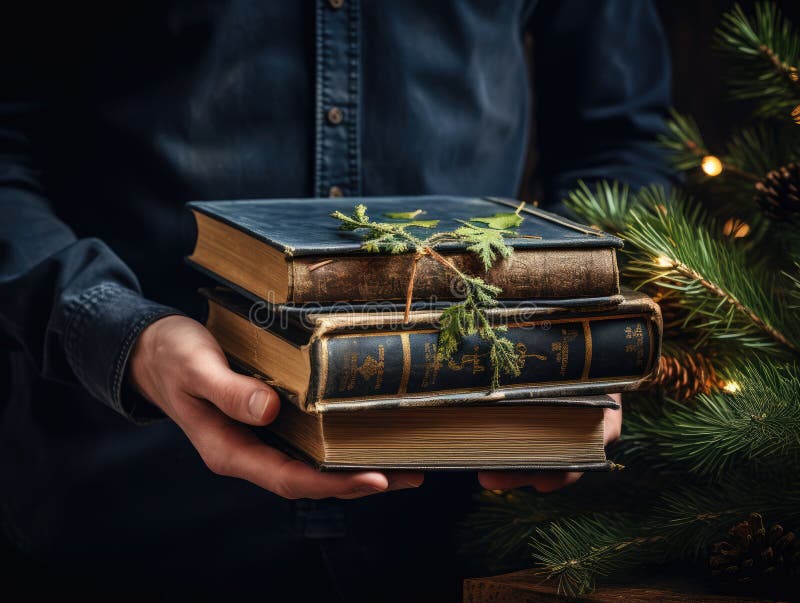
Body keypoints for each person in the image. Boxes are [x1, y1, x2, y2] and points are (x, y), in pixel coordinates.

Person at [0, 1, 672, 599]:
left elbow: (620, 141)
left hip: (462, 512)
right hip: (122, 493)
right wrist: (121, 335)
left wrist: (579, 353)